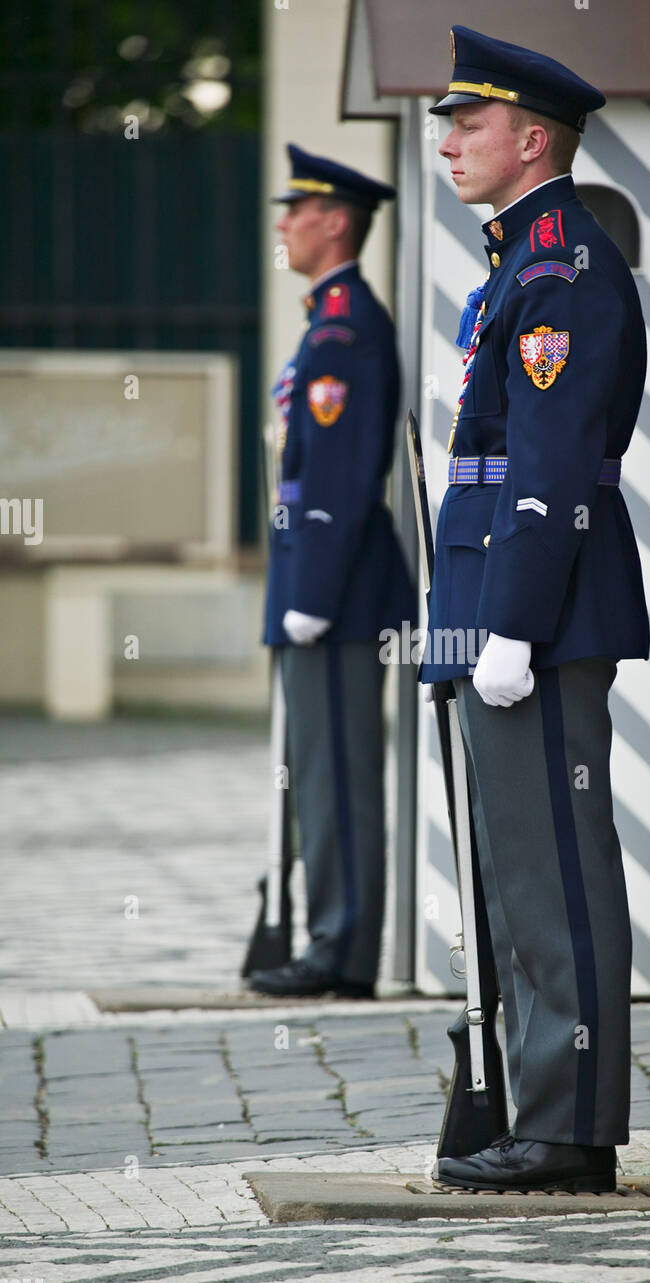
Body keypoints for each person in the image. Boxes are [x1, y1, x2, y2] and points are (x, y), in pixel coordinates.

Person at [423, 28, 650, 1192]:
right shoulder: (517, 262)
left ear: (530, 139)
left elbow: (552, 469)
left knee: (557, 869)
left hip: (538, 614)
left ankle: (566, 1132)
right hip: (494, 607)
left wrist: (510, 623)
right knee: (517, 872)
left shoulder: (561, 269)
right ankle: (531, 1103)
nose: (448, 139)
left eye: (468, 124)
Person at [250, 144, 414, 999]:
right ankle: (330, 938)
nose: (283, 224)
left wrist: (309, 595)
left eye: (296, 210)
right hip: (319, 589)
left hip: (337, 595)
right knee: (319, 769)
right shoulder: (329, 318)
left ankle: (342, 950)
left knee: (340, 775)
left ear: (335, 221)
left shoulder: (346, 328)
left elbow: (344, 474)